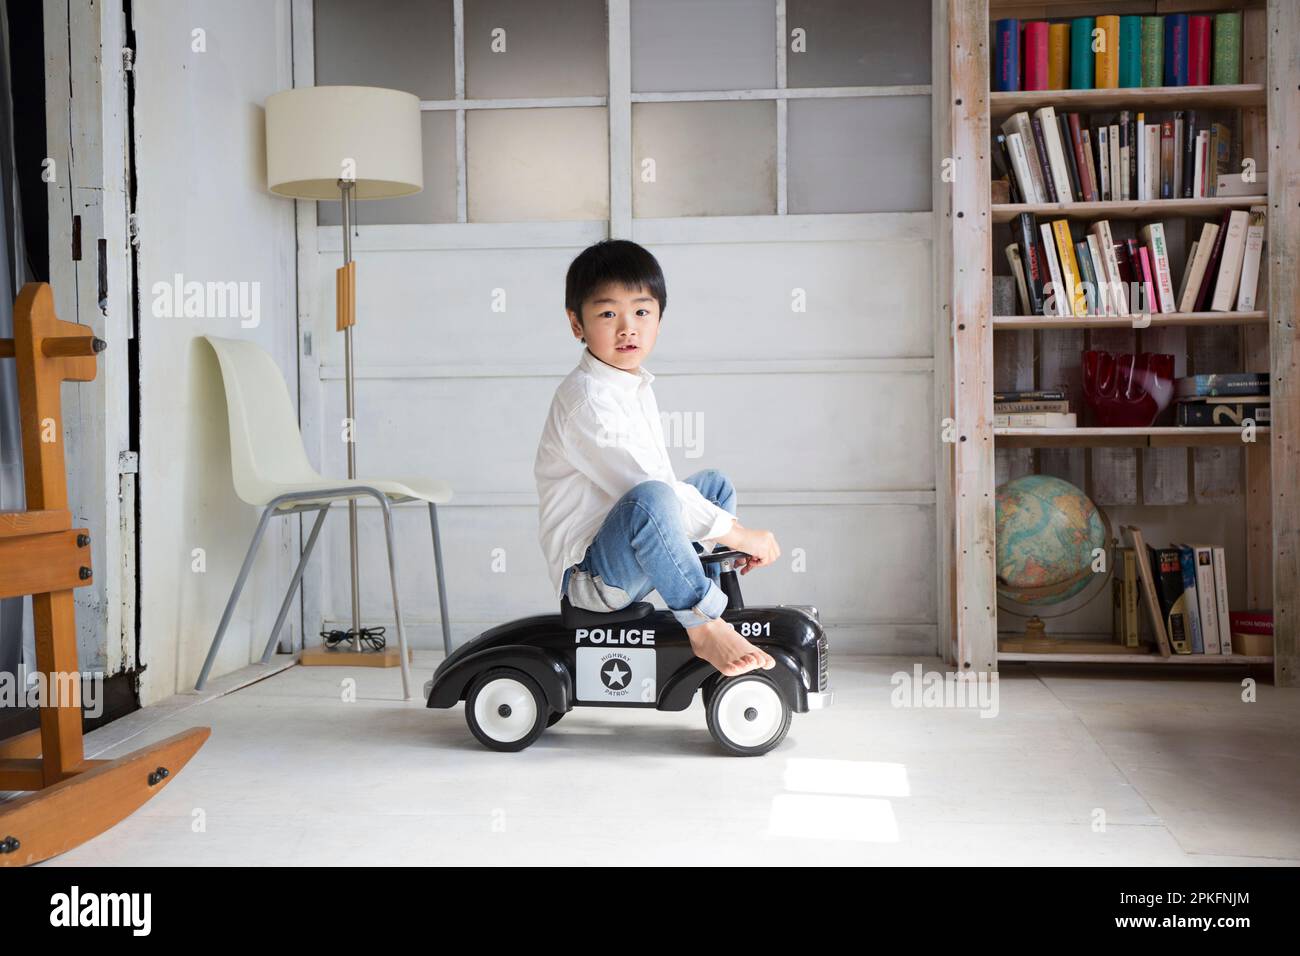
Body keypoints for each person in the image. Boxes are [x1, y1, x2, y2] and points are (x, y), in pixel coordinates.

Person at [534, 239, 780, 677]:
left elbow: (666, 488)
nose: (627, 328)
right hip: (592, 579)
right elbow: (650, 494)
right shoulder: (588, 402)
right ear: (577, 324)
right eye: (608, 314)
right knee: (651, 498)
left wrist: (734, 533)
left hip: (631, 556)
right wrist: (738, 534)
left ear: (659, 320)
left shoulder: (630, 385)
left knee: (714, 485)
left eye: (642, 312)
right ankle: (703, 623)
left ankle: (696, 583)